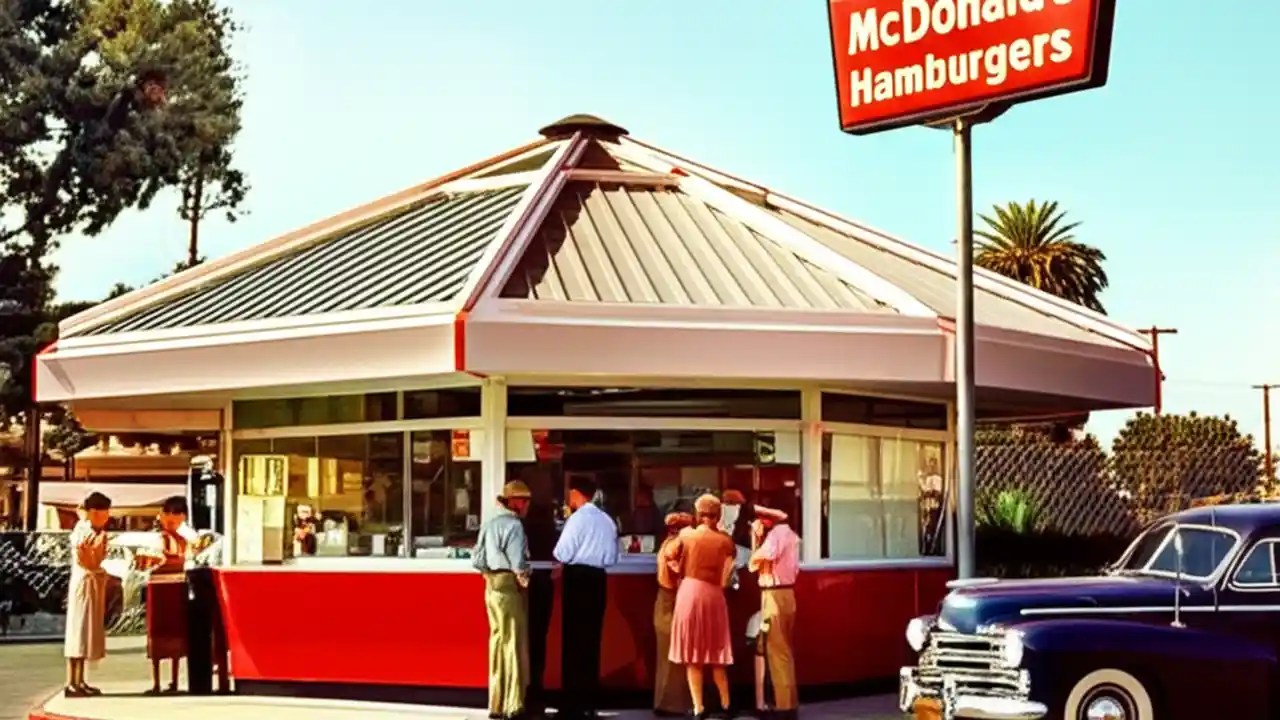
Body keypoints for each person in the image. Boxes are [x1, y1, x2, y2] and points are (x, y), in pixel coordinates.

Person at [552, 476, 619, 720]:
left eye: (571, 494)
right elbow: (612, 557)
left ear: (578, 494)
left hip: (577, 578)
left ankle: (572, 705)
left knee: (573, 643)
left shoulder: (576, 520)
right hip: (597, 580)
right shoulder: (607, 521)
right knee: (592, 641)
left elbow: (562, 551)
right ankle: (589, 702)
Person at [669, 494, 737, 719]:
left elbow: (670, 555)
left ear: (698, 514)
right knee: (717, 653)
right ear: (717, 516)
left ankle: (699, 708)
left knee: (693, 655)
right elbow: (728, 572)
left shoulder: (686, 535)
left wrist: (680, 566)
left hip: (689, 592)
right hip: (714, 595)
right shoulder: (726, 541)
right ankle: (726, 704)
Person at [473, 481, 534, 720]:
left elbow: (477, 559)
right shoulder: (515, 526)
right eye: (524, 500)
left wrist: (490, 575)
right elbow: (519, 564)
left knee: (497, 642)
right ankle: (513, 704)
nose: (527, 505)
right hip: (509, 588)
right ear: (515, 502)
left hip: (491, 588)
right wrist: (524, 578)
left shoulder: (488, 522)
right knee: (513, 644)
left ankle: (495, 703)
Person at [748, 506, 801, 720]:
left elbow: (756, 561)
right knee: (784, 650)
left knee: (776, 651)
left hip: (773, 595)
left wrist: (755, 538)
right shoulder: (792, 536)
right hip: (788, 595)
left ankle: (782, 707)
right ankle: (789, 701)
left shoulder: (776, 536)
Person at [64, 491, 112, 698]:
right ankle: (72, 682)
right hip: (84, 583)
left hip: (92, 582)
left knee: (86, 633)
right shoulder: (82, 531)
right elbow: (87, 559)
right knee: (78, 631)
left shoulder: (96, 530)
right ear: (93, 512)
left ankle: (80, 680)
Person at [146, 496, 190, 694]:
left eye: (178, 514)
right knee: (158, 631)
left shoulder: (184, 539)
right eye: (169, 514)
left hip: (176, 586)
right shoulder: (157, 538)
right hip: (159, 588)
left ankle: (173, 679)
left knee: (175, 633)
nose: (172, 518)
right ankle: (156, 681)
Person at [654, 512, 694, 717]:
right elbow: (679, 574)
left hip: (663, 603)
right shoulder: (678, 546)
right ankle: (673, 704)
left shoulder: (666, 543)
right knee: (675, 657)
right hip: (674, 604)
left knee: (665, 657)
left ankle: (662, 700)